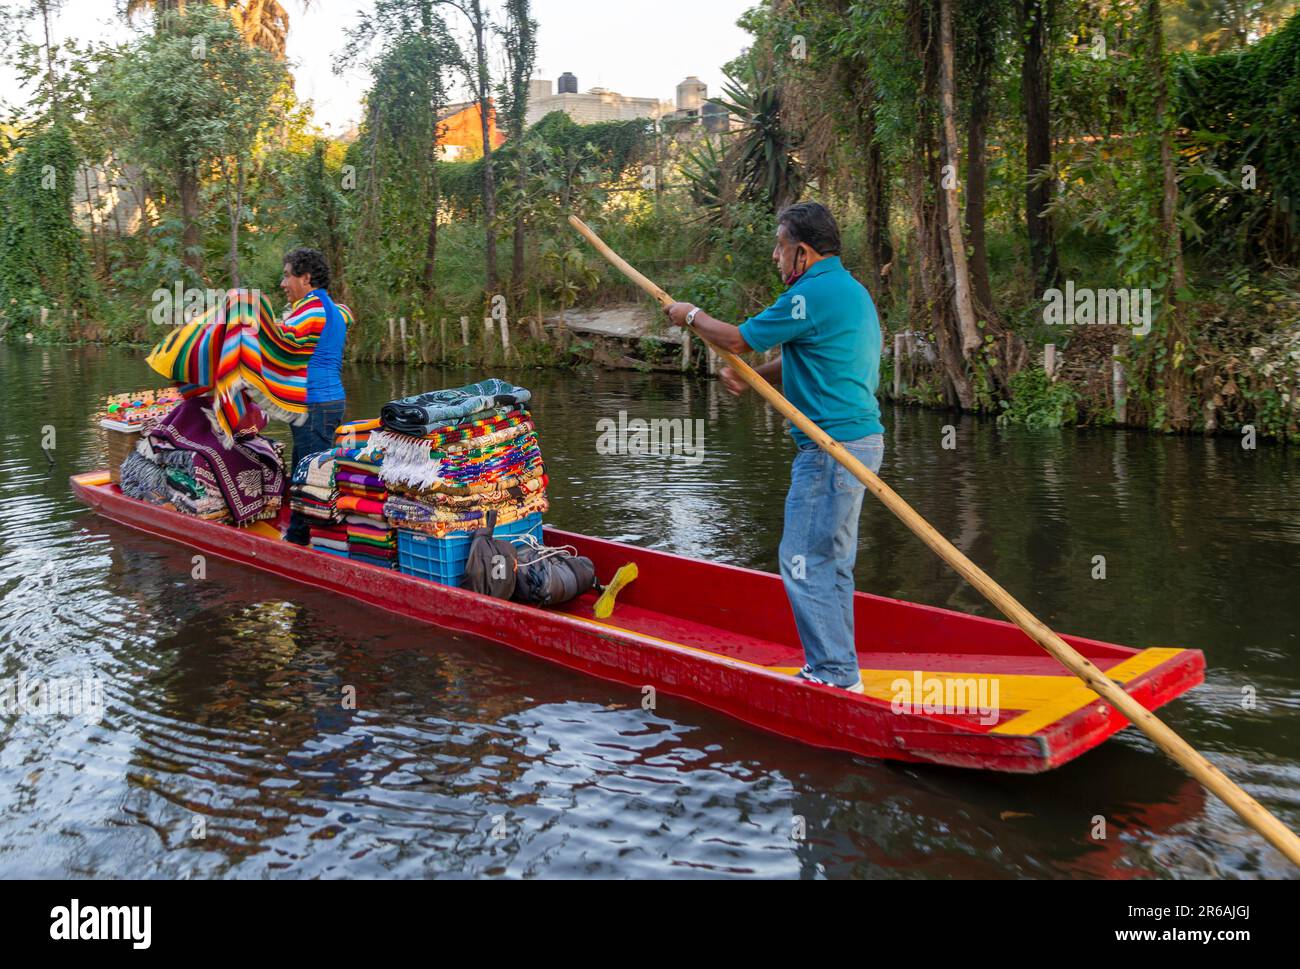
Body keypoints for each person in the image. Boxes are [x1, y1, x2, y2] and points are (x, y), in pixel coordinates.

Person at [664, 202, 884, 693]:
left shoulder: (812, 292)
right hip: (861, 441)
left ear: (802, 253)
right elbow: (812, 352)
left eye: (780, 247)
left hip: (831, 448)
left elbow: (738, 339)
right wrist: (755, 379)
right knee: (832, 560)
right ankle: (840, 667)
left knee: (802, 558)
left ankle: (831, 674)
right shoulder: (848, 291)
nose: (775, 257)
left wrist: (689, 314)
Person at [279, 247, 351, 546]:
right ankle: (301, 533)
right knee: (305, 466)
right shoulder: (333, 309)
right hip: (328, 401)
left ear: (306, 278)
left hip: (315, 403)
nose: (283, 284)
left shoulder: (310, 309)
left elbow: (278, 344)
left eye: (287, 276)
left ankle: (304, 540)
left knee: (310, 473)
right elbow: (347, 315)